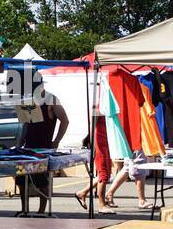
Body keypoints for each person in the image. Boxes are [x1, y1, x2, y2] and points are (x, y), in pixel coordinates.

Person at [16, 80, 69, 215]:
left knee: (41, 179)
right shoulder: (29, 100)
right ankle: (24, 208)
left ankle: (41, 210)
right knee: (21, 178)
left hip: (44, 147)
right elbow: (26, 124)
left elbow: (65, 120)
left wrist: (56, 141)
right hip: (28, 146)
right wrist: (19, 143)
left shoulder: (51, 100)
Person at [76, 112, 113, 210]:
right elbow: (92, 125)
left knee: (106, 174)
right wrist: (92, 144)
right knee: (103, 174)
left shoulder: (106, 103)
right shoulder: (98, 103)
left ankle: (82, 193)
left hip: (106, 142)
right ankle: (101, 205)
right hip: (99, 143)